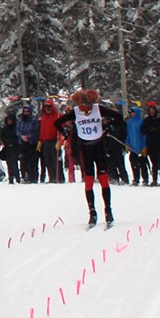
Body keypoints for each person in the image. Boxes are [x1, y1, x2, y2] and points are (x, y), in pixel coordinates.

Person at [55, 88, 123, 227]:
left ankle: (108, 210)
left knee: (104, 180)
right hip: (85, 149)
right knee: (89, 181)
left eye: (87, 107)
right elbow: (57, 123)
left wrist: (109, 128)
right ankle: (92, 212)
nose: (85, 111)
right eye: (83, 107)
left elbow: (118, 117)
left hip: (99, 147)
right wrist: (65, 133)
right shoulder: (75, 112)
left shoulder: (98, 109)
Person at [37, 98, 64, 184]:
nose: (47, 108)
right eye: (46, 107)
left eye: (49, 107)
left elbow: (62, 129)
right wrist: (40, 141)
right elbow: (42, 130)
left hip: (55, 141)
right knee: (48, 161)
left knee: (56, 160)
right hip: (46, 141)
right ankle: (52, 177)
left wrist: (60, 140)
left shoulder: (58, 116)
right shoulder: (44, 117)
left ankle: (59, 177)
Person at [124, 105, 149, 185]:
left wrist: (144, 146)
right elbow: (128, 134)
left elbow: (144, 135)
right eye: (130, 113)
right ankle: (136, 178)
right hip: (132, 147)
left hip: (141, 147)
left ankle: (145, 179)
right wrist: (127, 143)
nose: (131, 114)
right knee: (133, 163)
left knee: (142, 164)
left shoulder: (141, 122)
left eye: (133, 113)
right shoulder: (129, 123)